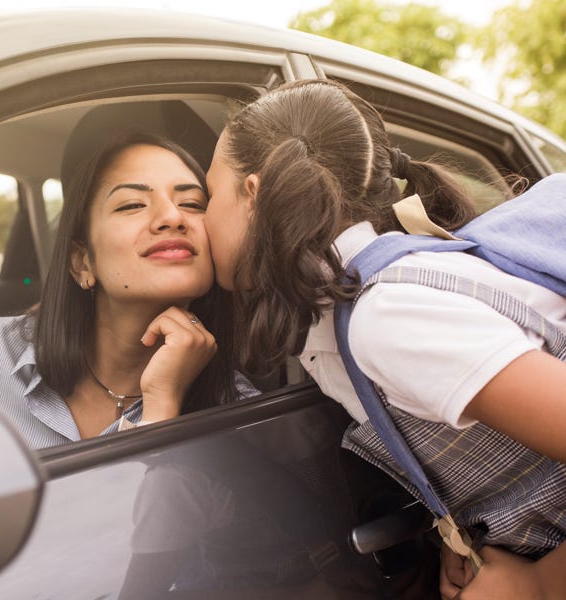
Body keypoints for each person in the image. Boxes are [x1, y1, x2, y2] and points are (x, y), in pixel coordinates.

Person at [202, 79, 566, 599]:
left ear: (253, 196)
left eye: (210, 193)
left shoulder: (387, 319)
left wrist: (540, 584)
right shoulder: (354, 308)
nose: (200, 218)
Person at [0, 131, 246, 449]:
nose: (172, 217)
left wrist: (162, 405)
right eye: (132, 205)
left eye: (192, 203)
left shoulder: (244, 412)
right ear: (82, 262)